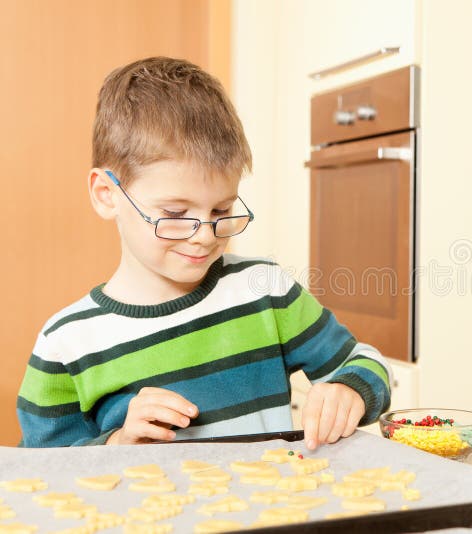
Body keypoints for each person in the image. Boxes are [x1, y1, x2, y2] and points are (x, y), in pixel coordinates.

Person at [16, 57, 391, 449]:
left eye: (220, 211)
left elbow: (365, 362)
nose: (204, 236)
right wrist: (118, 445)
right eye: (176, 214)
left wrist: (349, 391)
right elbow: (45, 468)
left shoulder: (265, 291)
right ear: (107, 195)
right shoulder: (67, 342)